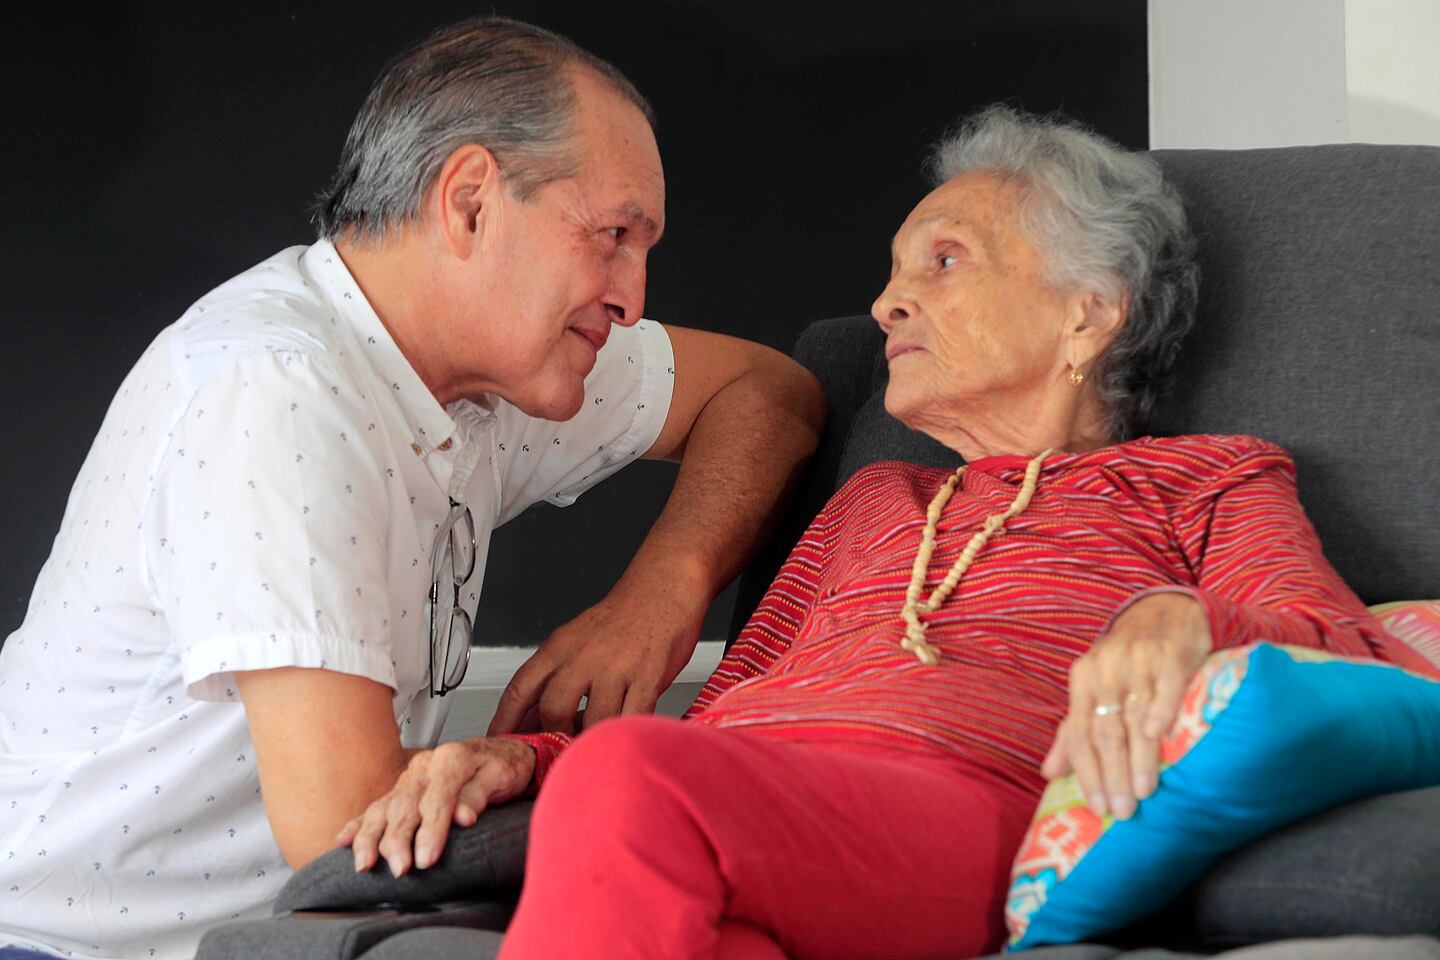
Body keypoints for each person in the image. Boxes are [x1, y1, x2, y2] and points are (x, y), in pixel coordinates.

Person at [342, 105, 1438, 960]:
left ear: (1089, 311)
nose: (886, 304)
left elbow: (1344, 652)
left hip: (962, 806)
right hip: (755, 818)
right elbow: (727, 717)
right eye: (896, 270)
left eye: (943, 262)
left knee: (629, 778)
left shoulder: (1200, 479)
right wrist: (517, 757)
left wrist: (1177, 614)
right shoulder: (874, 500)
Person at [0, 17, 825, 960]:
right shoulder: (277, 391)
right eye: (612, 237)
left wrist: (663, 592)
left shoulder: (490, 370)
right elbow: (350, 832)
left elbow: (774, 392)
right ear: (470, 202)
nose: (632, 295)